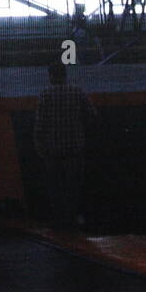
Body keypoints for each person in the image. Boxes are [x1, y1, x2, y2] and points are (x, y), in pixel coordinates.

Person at [32, 61, 95, 229]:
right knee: (73, 187)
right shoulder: (77, 92)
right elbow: (91, 115)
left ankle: (59, 221)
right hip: (74, 148)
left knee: (56, 188)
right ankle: (72, 219)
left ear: (51, 76)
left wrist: (40, 146)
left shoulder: (46, 94)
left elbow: (39, 124)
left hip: (52, 150)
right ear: (65, 75)